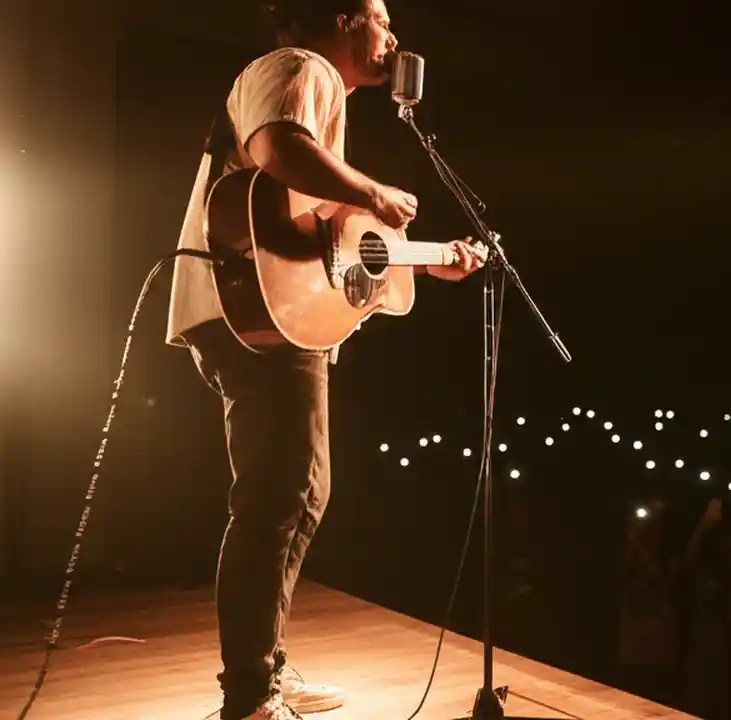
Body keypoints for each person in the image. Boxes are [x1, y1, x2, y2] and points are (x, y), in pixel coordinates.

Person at [164, 2, 485, 718]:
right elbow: (278, 146)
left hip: (268, 313)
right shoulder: (301, 69)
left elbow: (329, 246)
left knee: (294, 495)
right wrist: (372, 190)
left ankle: (265, 667)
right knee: (281, 499)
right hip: (254, 312)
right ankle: (250, 695)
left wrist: (428, 262)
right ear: (342, 20)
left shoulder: (309, 85)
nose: (393, 37)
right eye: (380, 17)